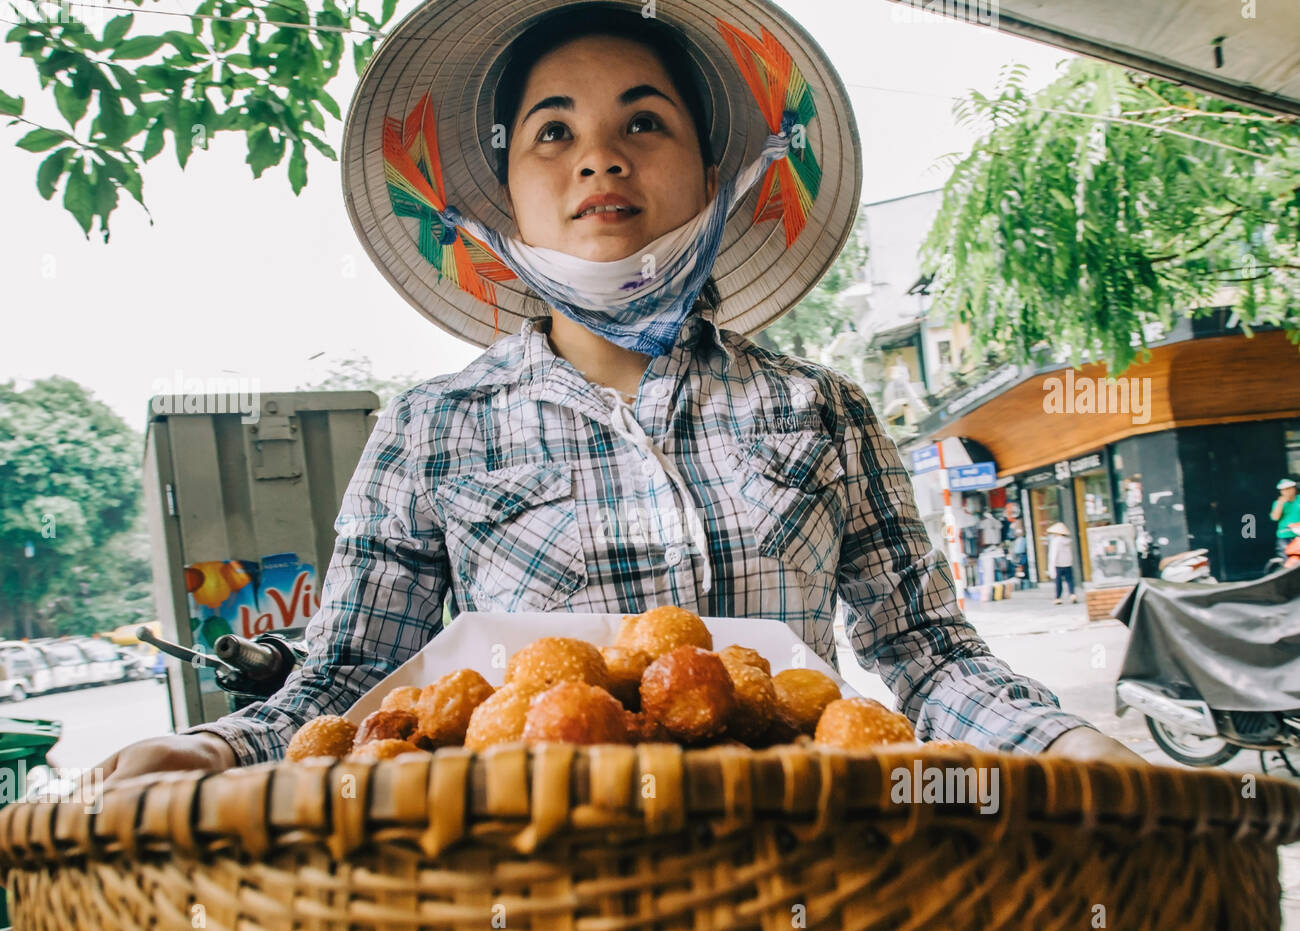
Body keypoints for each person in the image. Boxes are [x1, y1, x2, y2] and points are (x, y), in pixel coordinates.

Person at [91, 0, 1144, 785]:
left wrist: (1075, 742)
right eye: (552, 132)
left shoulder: (820, 411)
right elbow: (346, 680)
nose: (599, 156)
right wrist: (210, 745)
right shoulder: (431, 429)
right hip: (541, 906)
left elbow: (926, 654)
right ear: (502, 199)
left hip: (813, 879)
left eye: (645, 123)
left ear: (713, 175)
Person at [1046, 522, 1076, 604]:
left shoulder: (1055, 541)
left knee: (1058, 582)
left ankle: (1058, 597)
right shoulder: (1067, 541)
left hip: (1058, 564)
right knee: (1070, 580)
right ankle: (1072, 594)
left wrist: (1052, 565)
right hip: (1068, 563)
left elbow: (1053, 554)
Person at [1270, 478, 1300, 561]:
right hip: (1285, 536)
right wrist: (1280, 504)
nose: (1286, 492)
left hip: (1298, 535)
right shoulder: (1278, 503)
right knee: (1290, 561)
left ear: (1294, 489)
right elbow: (1275, 518)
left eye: (1288, 489)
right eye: (1283, 490)